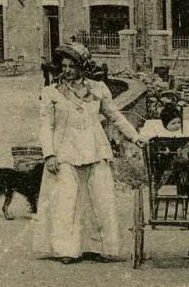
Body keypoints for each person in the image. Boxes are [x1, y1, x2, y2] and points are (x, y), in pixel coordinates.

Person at [35, 42, 144, 264]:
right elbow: (46, 126)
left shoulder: (98, 89)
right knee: (67, 201)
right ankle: (67, 250)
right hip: (64, 152)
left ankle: (100, 247)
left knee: (100, 199)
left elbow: (115, 116)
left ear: (82, 67)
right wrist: (49, 154)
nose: (66, 70)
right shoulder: (51, 93)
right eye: (63, 66)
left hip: (95, 149)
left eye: (71, 66)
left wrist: (134, 136)